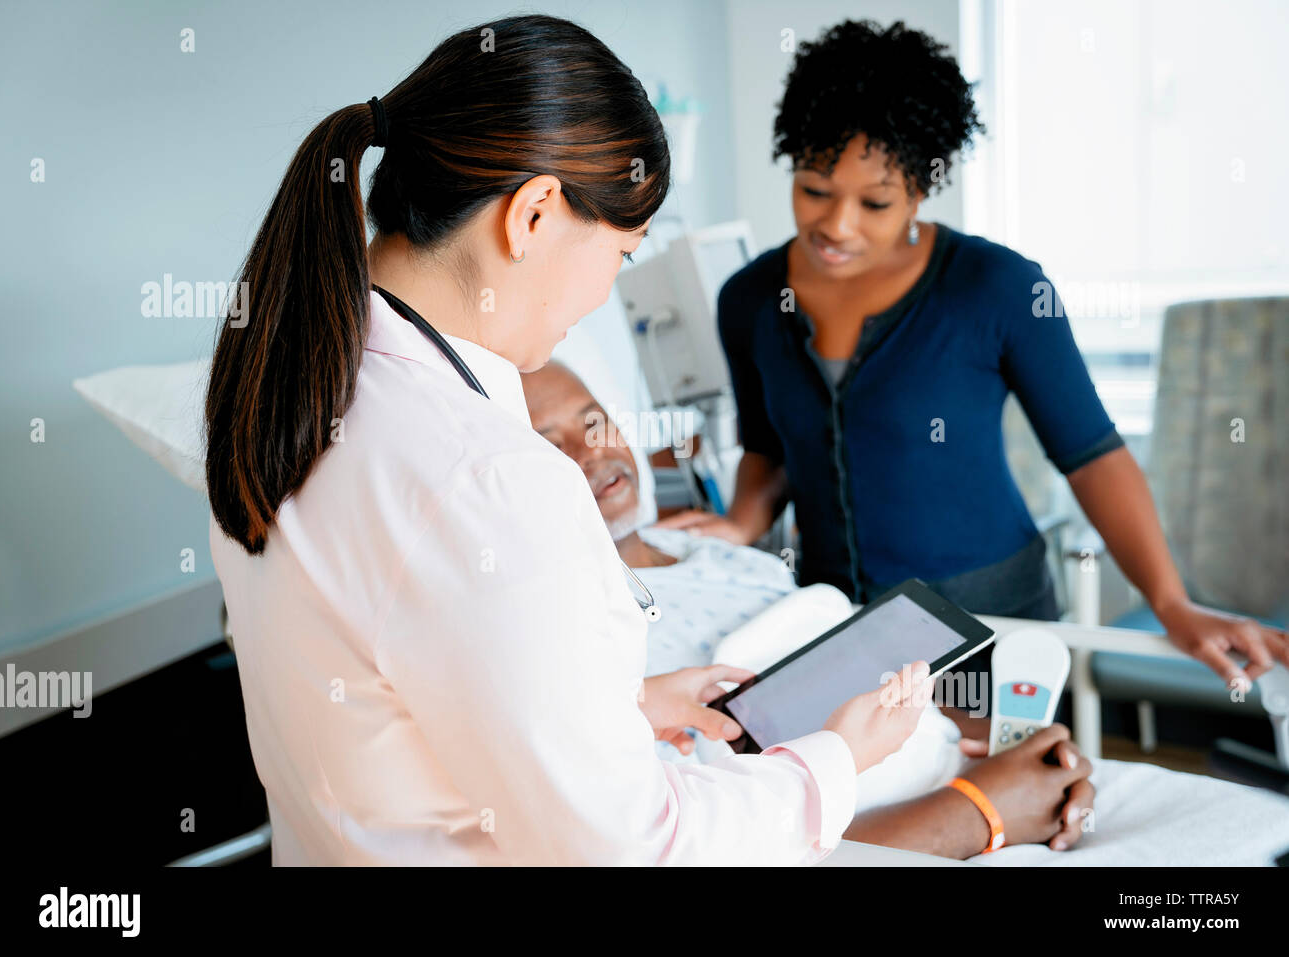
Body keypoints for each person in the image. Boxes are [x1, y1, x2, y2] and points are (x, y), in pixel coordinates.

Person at [204, 14, 927, 866]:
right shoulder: (490, 478)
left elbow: (390, 701)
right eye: (620, 255)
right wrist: (836, 758)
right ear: (536, 212)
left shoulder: (281, 392)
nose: (599, 300)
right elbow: (636, 849)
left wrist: (619, 707)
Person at [658, 18, 1289, 691]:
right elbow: (769, 449)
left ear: (921, 191)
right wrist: (739, 521)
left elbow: (1093, 454)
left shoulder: (999, 289)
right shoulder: (749, 299)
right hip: (834, 629)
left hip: (993, 625)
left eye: (875, 202)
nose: (836, 226)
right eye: (815, 190)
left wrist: (1169, 600)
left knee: (1000, 791)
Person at [523, 359, 1289, 864]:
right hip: (907, 830)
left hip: (976, 774)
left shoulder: (717, 554)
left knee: (1266, 832)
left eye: (593, 421)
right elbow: (725, 841)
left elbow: (863, 672)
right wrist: (984, 808)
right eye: (547, 443)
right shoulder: (576, 627)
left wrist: (1011, 752)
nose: (592, 452)